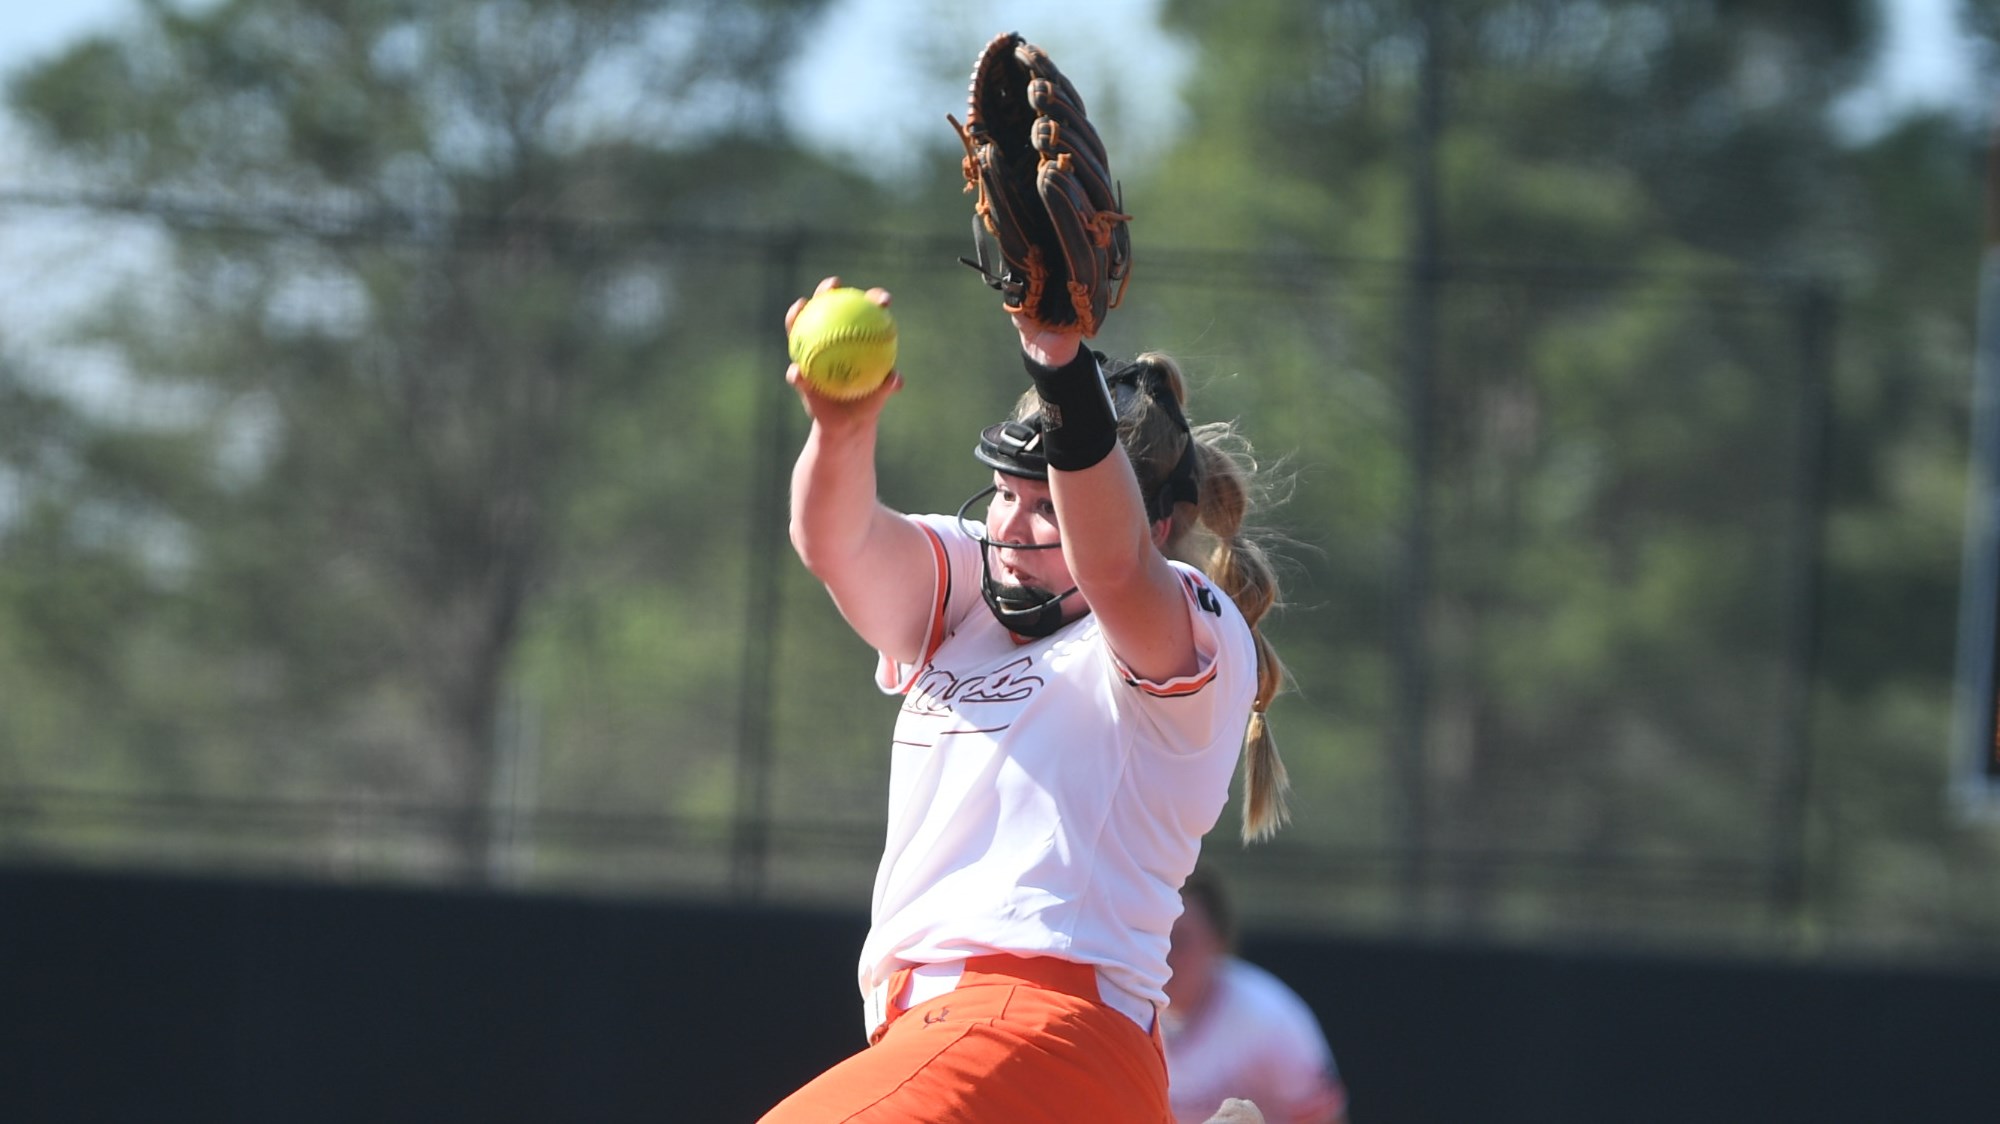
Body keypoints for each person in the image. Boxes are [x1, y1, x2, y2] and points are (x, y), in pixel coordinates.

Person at [756, 276, 1294, 1124]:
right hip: (952, 1046)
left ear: (1153, 525)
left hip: (1044, 1030)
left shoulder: (1189, 622)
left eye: (1047, 505)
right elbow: (838, 542)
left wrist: (1058, 362)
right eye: (1008, 490)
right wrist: (842, 431)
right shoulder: (976, 591)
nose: (1010, 524)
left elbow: (1112, 565)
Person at [1163, 865, 1350, 1124]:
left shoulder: (1269, 1018)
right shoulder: (1124, 1009)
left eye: (1181, 940)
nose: (1166, 955)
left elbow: (1326, 1119)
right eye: (1158, 938)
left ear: (1218, 941)